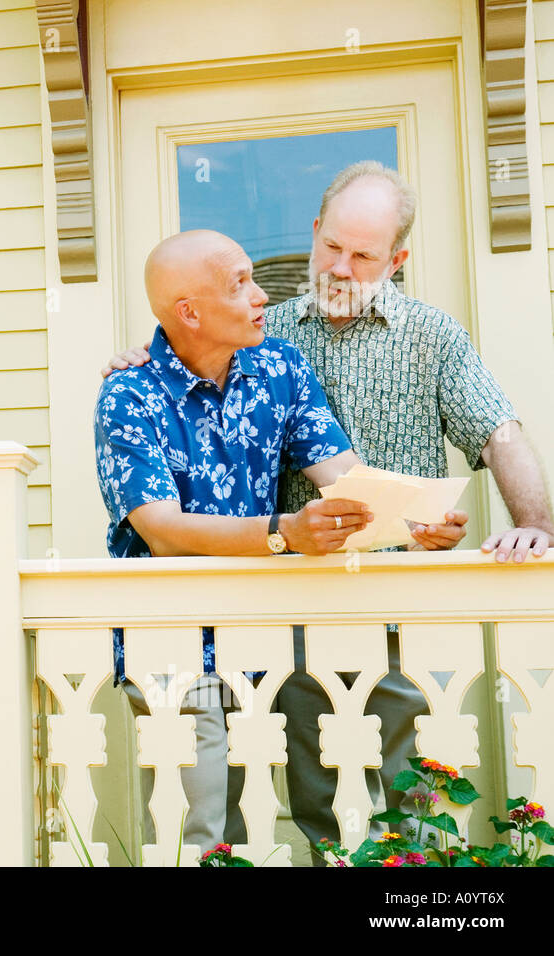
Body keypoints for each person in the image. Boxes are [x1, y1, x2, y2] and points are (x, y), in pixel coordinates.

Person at [100, 161, 552, 862]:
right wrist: (147, 359)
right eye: (331, 246)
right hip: (272, 624)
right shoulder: (257, 336)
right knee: (277, 814)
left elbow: (459, 443)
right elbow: (160, 515)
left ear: (396, 260)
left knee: (419, 796)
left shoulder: (374, 346)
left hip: (392, 608)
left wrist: (426, 522)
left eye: (364, 255)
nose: (339, 267)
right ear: (314, 233)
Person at [96, 228, 388, 856]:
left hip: (270, 636)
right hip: (172, 642)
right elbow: (162, 531)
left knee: (343, 810)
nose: (262, 296)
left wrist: (413, 525)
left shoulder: (280, 367)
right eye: (241, 284)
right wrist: (284, 533)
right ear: (188, 312)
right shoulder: (128, 393)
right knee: (204, 832)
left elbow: (347, 481)